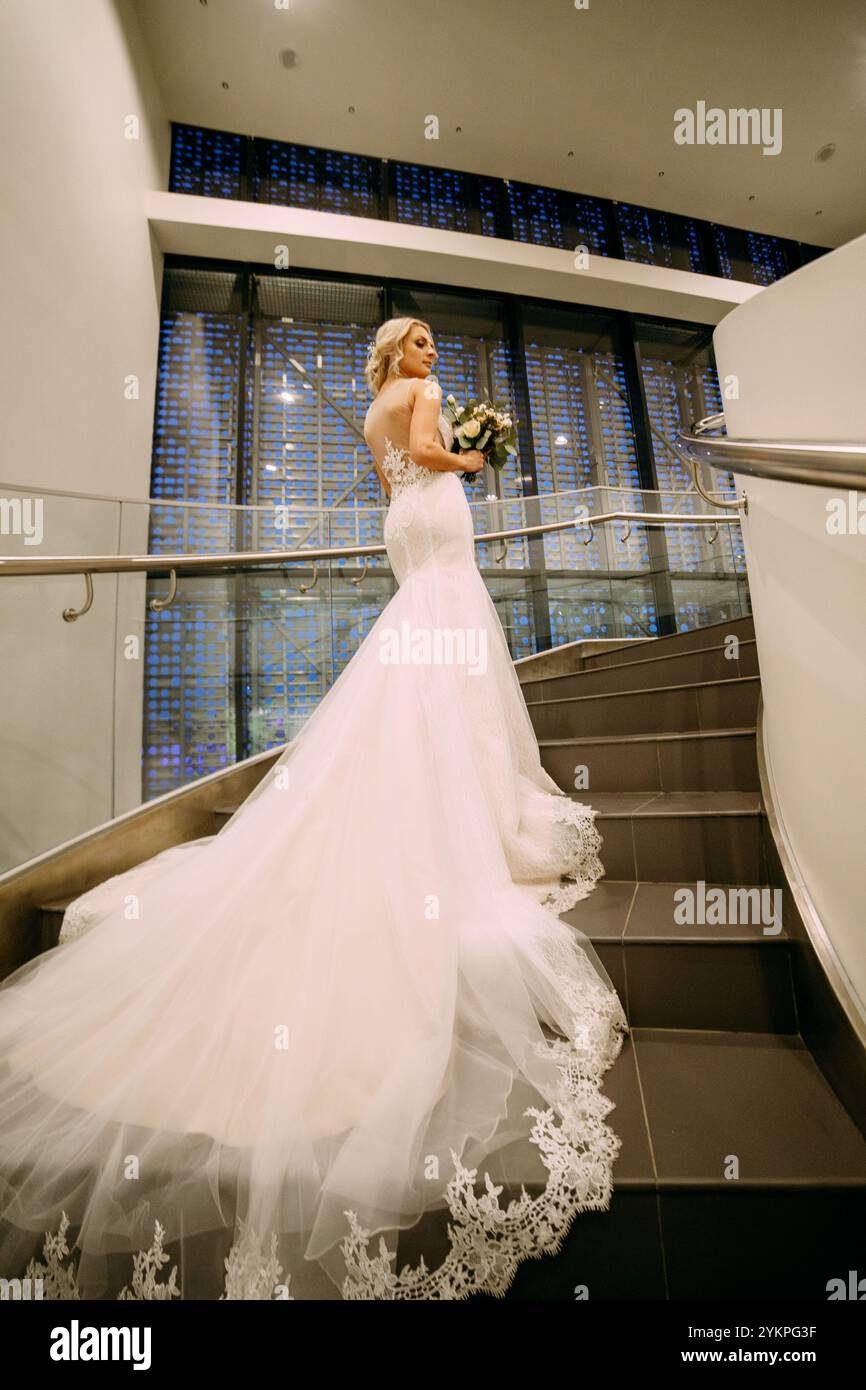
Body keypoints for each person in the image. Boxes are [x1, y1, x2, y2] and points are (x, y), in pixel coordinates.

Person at [0, 317, 628, 1301]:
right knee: (451, 656)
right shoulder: (417, 401)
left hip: (406, 535)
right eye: (417, 338)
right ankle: (478, 816)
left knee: (425, 659)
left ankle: (461, 803)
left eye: (427, 341)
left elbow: (394, 477)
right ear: (399, 353)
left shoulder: (370, 407)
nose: (427, 348)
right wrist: (481, 446)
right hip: (436, 535)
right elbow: (427, 456)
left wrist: (444, 461)